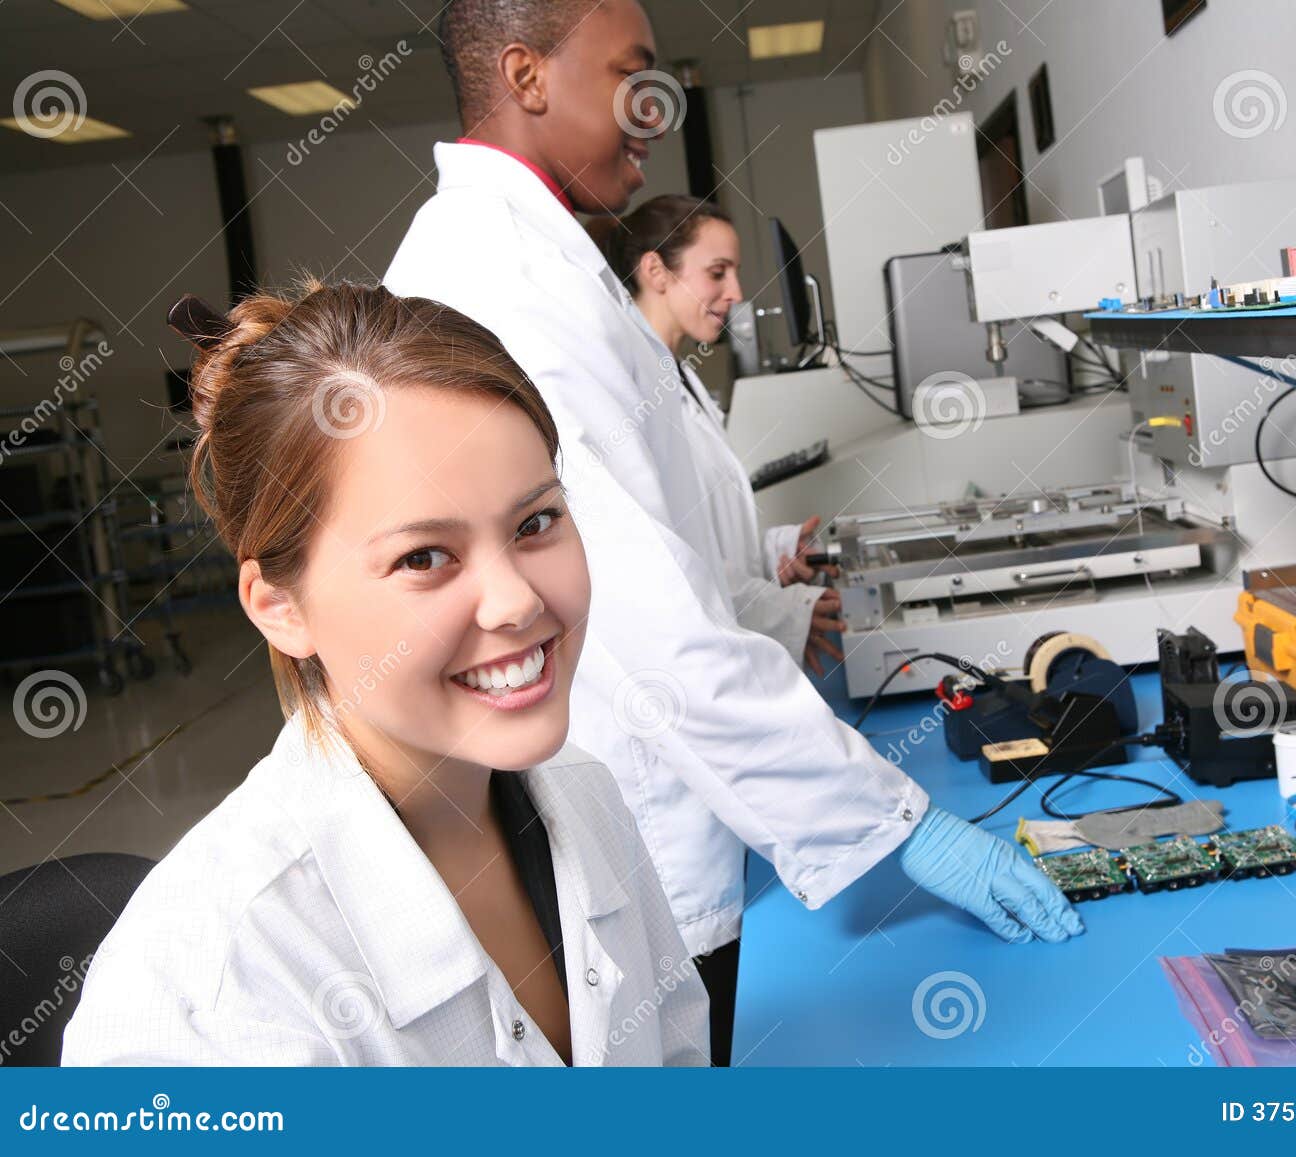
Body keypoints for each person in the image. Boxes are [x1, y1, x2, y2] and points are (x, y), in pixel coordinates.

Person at [385, 0, 1081, 1066]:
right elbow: (638, 604)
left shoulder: (544, 263)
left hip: (637, 805)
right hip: (611, 822)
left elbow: (678, 561)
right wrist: (894, 818)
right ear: (526, 76)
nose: (655, 113)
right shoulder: (503, 284)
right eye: (631, 76)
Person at [61, 281, 708, 1067]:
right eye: (424, 557)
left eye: (536, 521)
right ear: (280, 606)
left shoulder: (586, 797)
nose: (516, 601)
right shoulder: (212, 1000)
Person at [597, 194, 841, 675]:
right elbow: (675, 561)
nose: (735, 292)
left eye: (735, 273)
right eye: (717, 273)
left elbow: (709, 532)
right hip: (692, 668)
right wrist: (784, 613)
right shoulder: (633, 395)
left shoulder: (682, 378)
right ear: (656, 271)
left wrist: (774, 552)